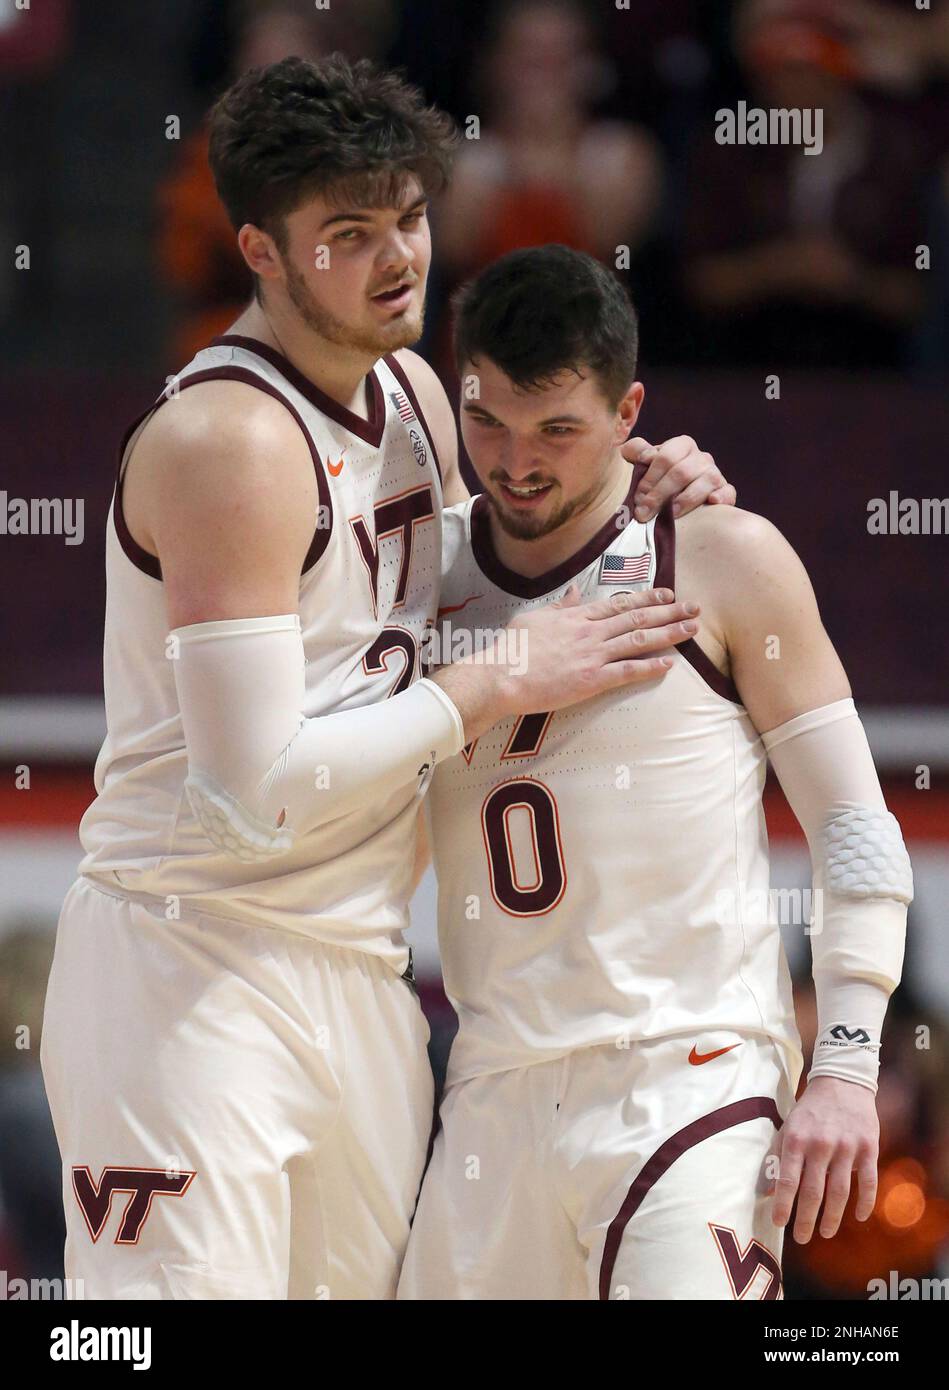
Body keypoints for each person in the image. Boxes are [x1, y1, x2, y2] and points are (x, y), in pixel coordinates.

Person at [40, 56, 732, 1301]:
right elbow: (251, 791)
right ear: (259, 249)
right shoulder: (229, 442)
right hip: (191, 964)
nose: (398, 256)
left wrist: (635, 483)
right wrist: (492, 684)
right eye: (348, 234)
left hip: (360, 967)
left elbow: (485, 567)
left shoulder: (416, 389)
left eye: (408, 218)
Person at [397, 244, 913, 1300]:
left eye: (558, 429)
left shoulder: (719, 553)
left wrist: (847, 1068)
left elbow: (856, 831)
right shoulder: (412, 579)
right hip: (492, 1086)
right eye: (486, 421)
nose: (516, 460)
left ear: (629, 410)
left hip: (689, 1072)